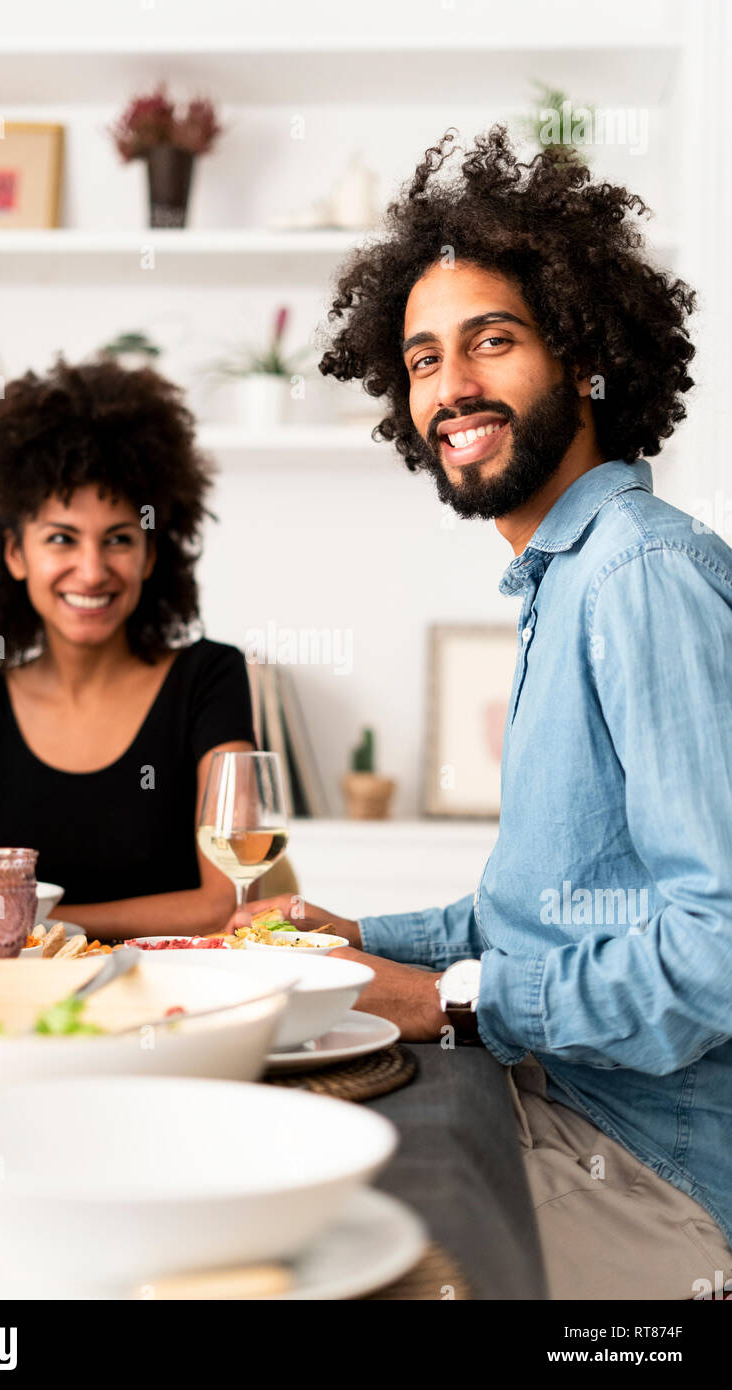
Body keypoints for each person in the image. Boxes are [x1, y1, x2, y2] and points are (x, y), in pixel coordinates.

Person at [235, 127, 732, 1300]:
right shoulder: (565, 579)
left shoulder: (635, 577)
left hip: (650, 1172)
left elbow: (712, 955)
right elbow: (547, 910)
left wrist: (448, 999)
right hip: (562, 1111)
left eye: (489, 341)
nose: (449, 388)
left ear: (582, 352)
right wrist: (358, 934)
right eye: (418, 360)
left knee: (300, 1263)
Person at [0, 357, 255, 938]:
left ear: (151, 555)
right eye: (60, 539)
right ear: (15, 554)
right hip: (19, 1011)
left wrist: (24, 924)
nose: (92, 570)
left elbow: (224, 900)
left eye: (119, 539)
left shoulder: (209, 677)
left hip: (173, 994)